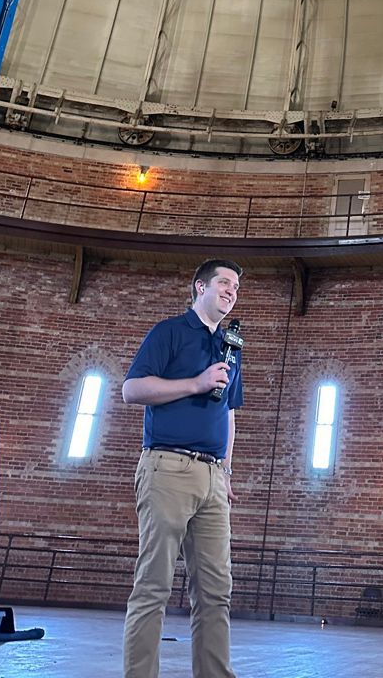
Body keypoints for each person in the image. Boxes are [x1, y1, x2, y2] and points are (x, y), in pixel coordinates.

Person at [122, 258, 244, 678]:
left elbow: (229, 414)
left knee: (216, 593)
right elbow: (132, 389)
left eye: (235, 287)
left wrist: (226, 470)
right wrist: (195, 383)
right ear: (199, 288)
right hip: (168, 467)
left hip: (213, 479)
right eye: (223, 283)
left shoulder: (230, 348)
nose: (230, 290)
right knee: (154, 587)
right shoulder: (169, 332)